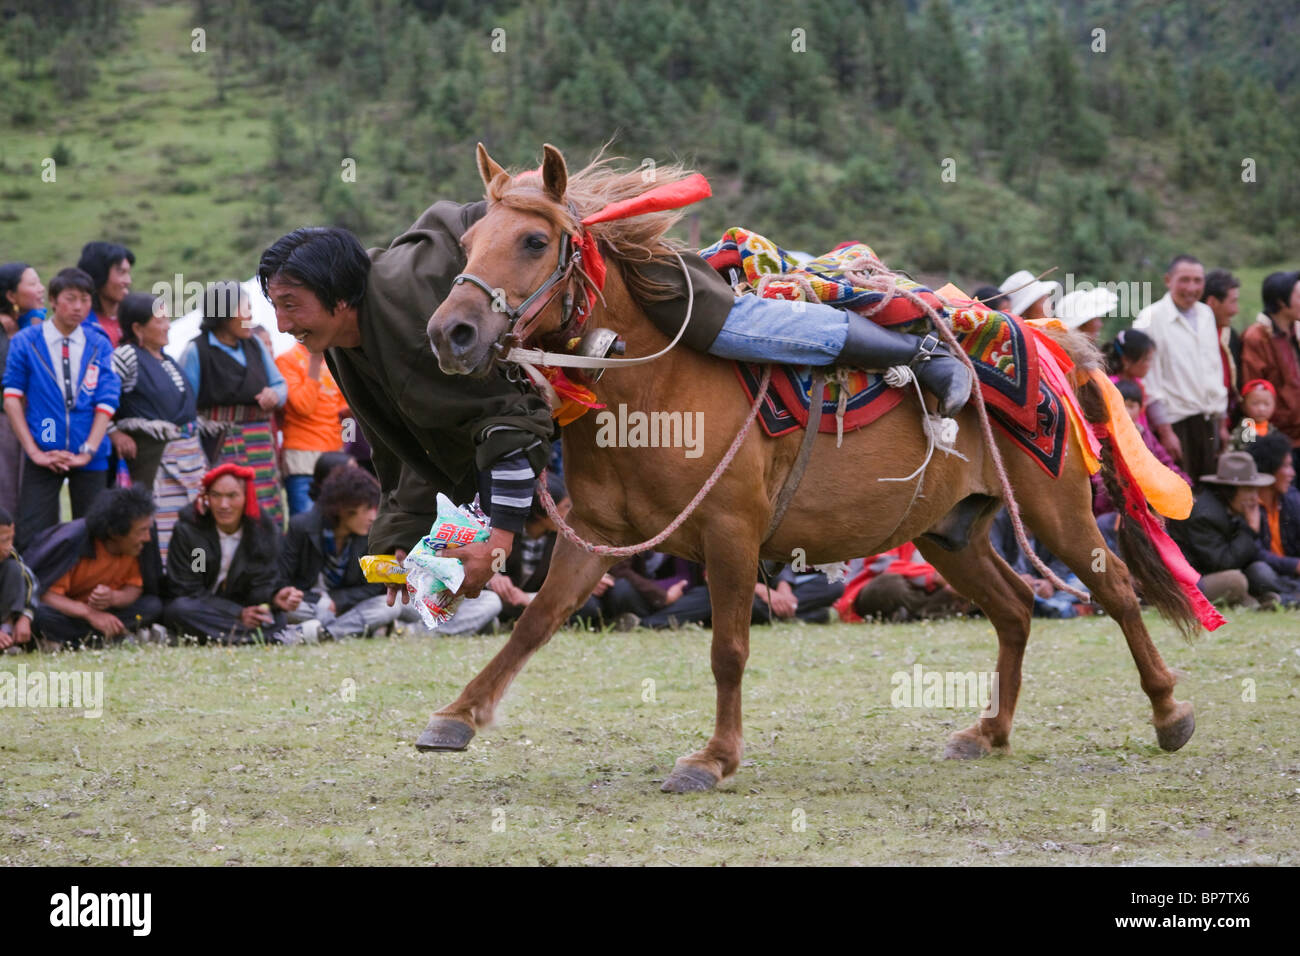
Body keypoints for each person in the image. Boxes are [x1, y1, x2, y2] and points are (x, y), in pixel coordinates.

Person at [257, 202, 975, 601]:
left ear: (340, 295)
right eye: (275, 308)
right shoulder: (351, 350)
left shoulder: (417, 303)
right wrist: (401, 551)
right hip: (556, 332)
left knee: (729, 327)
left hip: (612, 284)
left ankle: (917, 353)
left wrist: (498, 538)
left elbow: (504, 422)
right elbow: (407, 456)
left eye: (290, 304)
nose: (282, 322)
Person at [2, 267, 120, 551]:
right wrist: (34, 451)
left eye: (85, 299)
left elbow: (107, 399)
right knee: (33, 532)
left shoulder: (98, 343)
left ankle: (87, 592)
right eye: (70, 298)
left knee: (93, 531)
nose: (78, 307)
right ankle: (34, 593)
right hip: (45, 447)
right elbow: (11, 397)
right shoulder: (26, 341)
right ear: (53, 300)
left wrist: (88, 449)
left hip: (90, 453)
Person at [179, 281, 288, 526]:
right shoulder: (197, 351)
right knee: (230, 508)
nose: (250, 315)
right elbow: (185, 408)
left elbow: (281, 386)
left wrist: (274, 394)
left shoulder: (255, 345)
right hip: (220, 446)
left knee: (266, 511)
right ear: (224, 313)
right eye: (245, 308)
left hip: (260, 444)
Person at [163, 463, 302, 644]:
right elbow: (190, 590)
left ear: (247, 498)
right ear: (206, 498)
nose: (223, 505)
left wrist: (275, 598)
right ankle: (266, 638)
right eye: (216, 496)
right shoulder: (192, 532)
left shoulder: (263, 533)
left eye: (232, 496)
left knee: (276, 618)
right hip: (204, 606)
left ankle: (203, 635)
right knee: (179, 610)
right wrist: (236, 613)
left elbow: (260, 584)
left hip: (242, 606)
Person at [27, 486, 163, 647]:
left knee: (152, 606)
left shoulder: (134, 548)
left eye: (148, 529)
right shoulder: (73, 542)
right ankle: (107, 639)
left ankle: (73, 640)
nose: (147, 538)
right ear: (115, 533)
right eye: (141, 531)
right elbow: (43, 594)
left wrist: (114, 597)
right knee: (40, 616)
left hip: (107, 612)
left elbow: (135, 587)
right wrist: (89, 614)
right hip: (70, 613)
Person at [1133, 254, 1229, 481]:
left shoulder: (1206, 313)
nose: (1191, 287)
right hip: (1176, 424)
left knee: (1211, 491)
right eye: (1184, 280)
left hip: (1209, 420)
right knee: (1182, 492)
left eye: (1198, 281)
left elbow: (1214, 370)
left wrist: (1222, 422)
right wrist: (1165, 432)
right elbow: (1149, 380)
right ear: (1168, 280)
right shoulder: (1150, 319)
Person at [280, 464, 400, 638]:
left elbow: (373, 587)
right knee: (284, 610)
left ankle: (324, 633)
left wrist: (337, 601)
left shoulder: (369, 534)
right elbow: (283, 579)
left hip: (346, 607)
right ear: (345, 509)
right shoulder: (301, 527)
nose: (372, 517)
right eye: (367, 509)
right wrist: (307, 599)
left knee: (388, 607)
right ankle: (350, 629)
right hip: (308, 604)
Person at [1168, 451, 1289, 608]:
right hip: (1189, 584)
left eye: (1255, 490)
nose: (1254, 497)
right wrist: (1250, 530)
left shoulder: (1233, 507)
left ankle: (1277, 599)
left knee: (1259, 571)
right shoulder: (1205, 515)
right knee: (1236, 581)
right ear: (1230, 490)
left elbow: (1254, 555)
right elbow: (1222, 563)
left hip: (1214, 573)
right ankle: (1261, 603)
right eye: (1248, 489)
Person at [108, 292, 198, 488]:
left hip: (186, 459)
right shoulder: (127, 356)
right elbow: (100, 397)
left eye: (167, 319)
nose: (167, 326)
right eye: (159, 320)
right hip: (151, 461)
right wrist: (113, 433)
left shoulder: (167, 359)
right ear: (137, 328)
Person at [275, 341, 349, 515]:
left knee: (337, 528)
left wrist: (347, 446)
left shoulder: (334, 359)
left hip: (334, 455)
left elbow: (345, 411)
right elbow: (304, 406)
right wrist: (314, 364)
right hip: (302, 458)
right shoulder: (286, 360)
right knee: (306, 526)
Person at [0, 262, 45, 517]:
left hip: (35, 419)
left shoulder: (31, 321)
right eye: (32, 284)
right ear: (10, 295)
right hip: (6, 423)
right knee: (6, 492)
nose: (40, 289)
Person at [1240, 270, 1300, 461]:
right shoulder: (1257, 338)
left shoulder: (1293, 332)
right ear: (1281, 301)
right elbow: (1252, 390)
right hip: (1276, 436)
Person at [834, 547, 972, 622]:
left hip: (923, 592)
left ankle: (910, 615)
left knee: (976, 589)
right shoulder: (884, 525)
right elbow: (882, 565)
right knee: (889, 584)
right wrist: (933, 576)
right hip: (873, 592)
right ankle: (935, 610)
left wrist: (955, 583)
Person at [1244, 430, 1300, 566]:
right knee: (1260, 571)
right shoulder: (1247, 504)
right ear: (1269, 469)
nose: (1292, 473)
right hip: (1273, 574)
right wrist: (1294, 565)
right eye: (1286, 466)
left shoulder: (1292, 498)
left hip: (1290, 573)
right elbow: (1254, 552)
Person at [76, 241, 134, 347]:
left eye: (128, 273)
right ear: (99, 274)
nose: (128, 281)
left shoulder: (136, 321)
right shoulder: (78, 325)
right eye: (121, 272)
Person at [1203, 268, 1242, 416]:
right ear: (1212, 302)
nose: (1236, 310)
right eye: (1232, 302)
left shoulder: (1230, 336)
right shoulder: (1191, 338)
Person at [0, 507, 38, 652]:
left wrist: (25, 617)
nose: (9, 547)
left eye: (11, 538)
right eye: (4, 541)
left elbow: (31, 583)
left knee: (14, 569)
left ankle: (7, 634)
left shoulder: (10, 555)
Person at [1104, 328, 1159, 428]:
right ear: (1126, 360)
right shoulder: (1111, 387)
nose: (1149, 365)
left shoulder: (1137, 382)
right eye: (1146, 359)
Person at [1231, 380, 1276, 450]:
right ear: (1243, 406)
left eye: (1266, 404)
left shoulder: (1273, 430)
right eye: (1255, 403)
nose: (1261, 409)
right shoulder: (1243, 431)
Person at [0, 261, 47, 328]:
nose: (42, 288)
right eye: (33, 284)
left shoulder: (36, 319)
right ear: (11, 296)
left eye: (39, 282)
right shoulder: (4, 330)